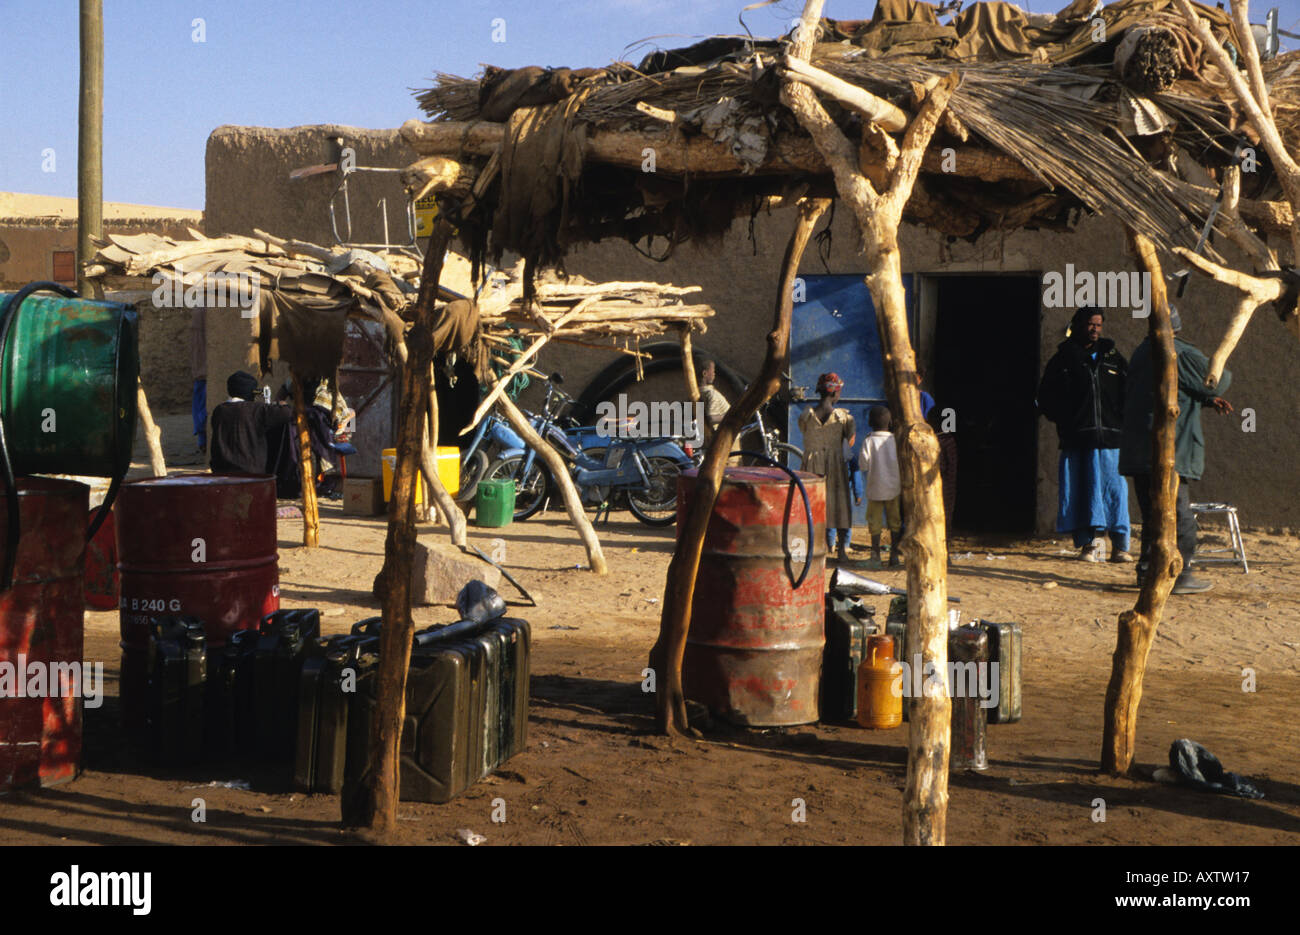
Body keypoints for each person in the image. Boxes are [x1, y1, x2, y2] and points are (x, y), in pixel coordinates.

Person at [1119, 308, 1233, 594]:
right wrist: (1216, 379)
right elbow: (1213, 379)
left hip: (1138, 452)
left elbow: (1168, 391)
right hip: (1166, 452)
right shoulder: (1178, 352)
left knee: (1153, 516)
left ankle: (1146, 574)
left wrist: (1207, 400)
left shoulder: (1141, 352)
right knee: (1179, 518)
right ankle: (1179, 575)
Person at [1036, 306, 1132, 563]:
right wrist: (1065, 420)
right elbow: (1044, 397)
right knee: (1083, 492)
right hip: (1077, 439)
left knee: (1116, 492)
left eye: (1099, 325)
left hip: (1111, 440)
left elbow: (1130, 391)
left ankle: (1121, 547)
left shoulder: (1113, 358)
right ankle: (1088, 546)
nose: (1095, 329)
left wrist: (1121, 419)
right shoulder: (1063, 359)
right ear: (1078, 325)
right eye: (1091, 324)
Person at [798, 372, 856, 561]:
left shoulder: (806, 416)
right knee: (839, 505)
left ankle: (815, 549)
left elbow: (804, 432)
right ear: (834, 394)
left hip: (811, 466)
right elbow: (851, 441)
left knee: (812, 505)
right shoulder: (844, 418)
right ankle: (840, 551)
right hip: (835, 466)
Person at [209, 371, 293, 476]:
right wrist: (281, 404)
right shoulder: (257, 409)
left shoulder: (219, 410)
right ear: (252, 392)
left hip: (221, 472)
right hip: (251, 472)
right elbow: (287, 414)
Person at [860, 405, 903, 567]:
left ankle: (876, 555)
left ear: (870, 422)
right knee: (895, 521)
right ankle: (894, 555)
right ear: (890, 422)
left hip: (875, 489)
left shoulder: (868, 441)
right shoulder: (895, 441)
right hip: (894, 488)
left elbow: (863, 465)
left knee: (874, 522)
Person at [697, 360, 728, 443]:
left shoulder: (697, 393)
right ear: (705, 373)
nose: (714, 374)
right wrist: (731, 415)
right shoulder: (710, 394)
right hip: (725, 438)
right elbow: (711, 418)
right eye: (713, 371)